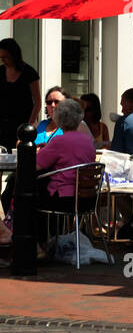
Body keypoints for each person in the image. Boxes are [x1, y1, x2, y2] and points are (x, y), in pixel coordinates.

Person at [35, 98, 97, 245]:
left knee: (29, 196)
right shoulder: (87, 140)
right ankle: (51, 241)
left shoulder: (59, 141)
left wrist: (44, 150)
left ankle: (39, 245)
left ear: (59, 119)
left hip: (63, 199)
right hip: (87, 199)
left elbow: (35, 165)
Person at [0, 37, 41, 151]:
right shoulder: (0, 71)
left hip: (21, 124)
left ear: (14, 55)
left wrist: (29, 125)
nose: (3, 61)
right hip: (2, 124)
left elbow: (37, 102)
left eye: (5, 57)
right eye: (1, 58)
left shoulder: (29, 72)